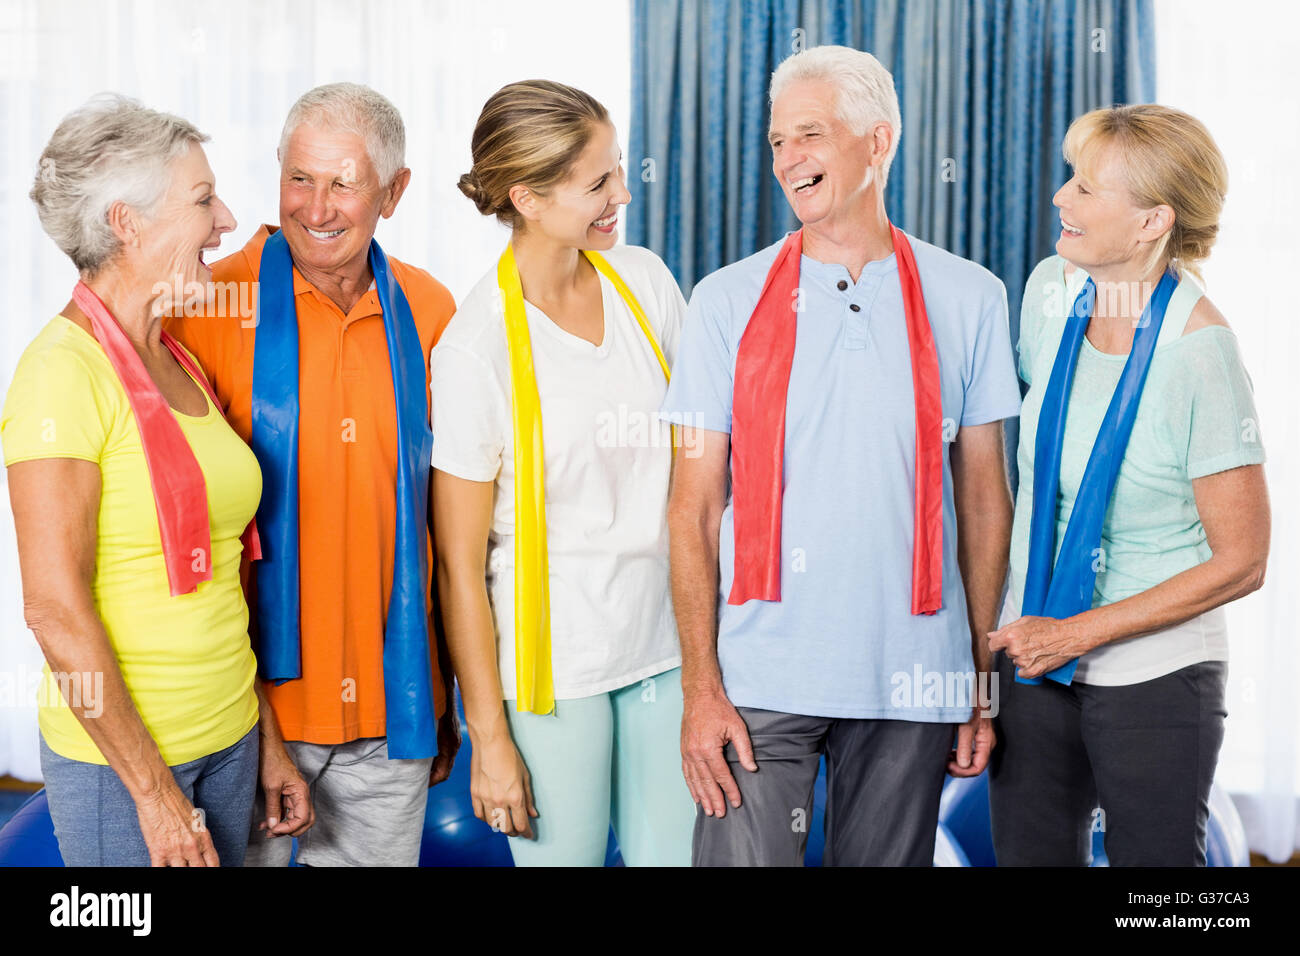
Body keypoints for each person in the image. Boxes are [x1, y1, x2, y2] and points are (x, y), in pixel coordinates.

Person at [660, 45, 1023, 866]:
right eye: (778, 140)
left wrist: (977, 681)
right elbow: (691, 507)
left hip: (915, 676)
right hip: (758, 681)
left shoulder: (971, 296)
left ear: (879, 141)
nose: (789, 159)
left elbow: (985, 500)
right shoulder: (723, 301)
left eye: (811, 135)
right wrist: (699, 688)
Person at [165, 82, 460, 867]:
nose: (317, 207)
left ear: (393, 192)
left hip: (395, 711)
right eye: (300, 178)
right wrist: (251, 725)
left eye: (344, 183)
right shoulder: (203, 303)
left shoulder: (434, 313)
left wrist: (448, 699)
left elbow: (453, 527)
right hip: (250, 715)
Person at [1, 94, 286, 866]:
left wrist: (266, 737)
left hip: (226, 736)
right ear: (126, 222)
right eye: (202, 199)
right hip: (126, 770)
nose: (226, 218)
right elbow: (54, 610)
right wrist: (156, 797)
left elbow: (222, 572)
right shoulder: (61, 375)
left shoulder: (176, 356)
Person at [987, 104, 1270, 866]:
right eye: (1070, 179)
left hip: (1156, 668)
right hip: (1036, 650)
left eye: (1087, 189)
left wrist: (1079, 633)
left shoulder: (1200, 354)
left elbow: (1243, 560)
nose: (1060, 199)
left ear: (1152, 223)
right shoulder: (1052, 290)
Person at [431, 79, 695, 866]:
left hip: (666, 648)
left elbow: (699, 467)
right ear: (528, 197)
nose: (622, 194)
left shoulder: (645, 282)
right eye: (599, 183)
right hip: (555, 675)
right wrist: (489, 739)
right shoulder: (475, 350)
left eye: (618, 171)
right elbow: (458, 568)